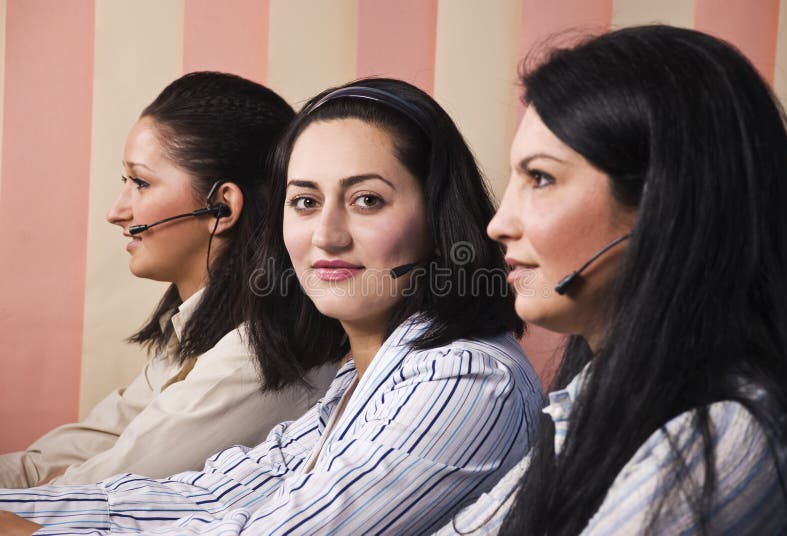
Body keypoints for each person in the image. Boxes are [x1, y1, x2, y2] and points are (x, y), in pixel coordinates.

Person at [0, 77, 544, 535]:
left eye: (367, 200)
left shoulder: (465, 377)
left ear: (438, 221)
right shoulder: (357, 381)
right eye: (305, 202)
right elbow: (206, 497)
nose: (326, 236)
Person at [439, 25, 787, 535]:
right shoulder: (599, 396)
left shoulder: (719, 435)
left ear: (663, 205)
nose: (499, 224)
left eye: (540, 179)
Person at [0, 72, 338, 489]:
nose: (117, 211)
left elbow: (83, 497)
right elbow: (50, 465)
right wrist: (55, 476)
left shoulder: (258, 358)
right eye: (125, 182)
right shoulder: (194, 329)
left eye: (140, 182)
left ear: (221, 206)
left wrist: (60, 479)